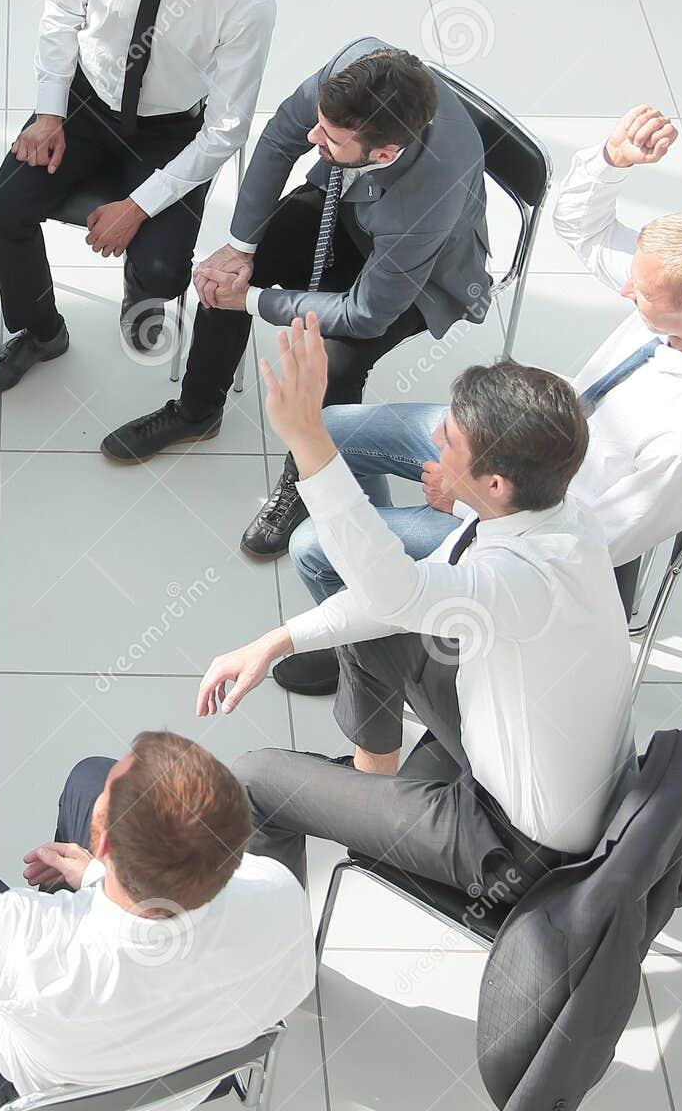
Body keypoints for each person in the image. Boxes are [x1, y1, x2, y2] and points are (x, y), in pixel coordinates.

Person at [0, 492, 313, 1105]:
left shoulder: (21, 947)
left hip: (46, 1088)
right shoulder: (279, 901)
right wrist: (93, 884)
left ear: (102, 841)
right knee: (88, 772)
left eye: (112, 799)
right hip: (195, 1078)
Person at [274, 104, 682, 696]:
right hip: (516, 441)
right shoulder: (677, 306)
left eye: (642, 290)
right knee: (334, 429)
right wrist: (611, 163)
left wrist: (468, 500)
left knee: (312, 546)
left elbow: (579, 547)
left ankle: (375, 664)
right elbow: (583, 229)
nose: (627, 287)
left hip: (525, 527)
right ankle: (381, 595)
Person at [199, 322, 635, 908]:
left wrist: (308, 439)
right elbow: (398, 599)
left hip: (511, 843)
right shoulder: (559, 518)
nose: (434, 436)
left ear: (497, 483)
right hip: (548, 778)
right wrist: (276, 642)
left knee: (252, 781)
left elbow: (391, 587)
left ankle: (268, 964)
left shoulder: (521, 579)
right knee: (383, 635)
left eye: (449, 439)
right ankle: (374, 785)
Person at [103, 39, 491, 554]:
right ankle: (197, 411)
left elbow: (366, 313)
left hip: (419, 273)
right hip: (349, 201)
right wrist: (241, 251)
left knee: (335, 357)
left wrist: (257, 300)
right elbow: (280, 140)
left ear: (385, 153)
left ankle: (308, 479)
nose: (313, 136)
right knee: (226, 278)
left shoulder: (427, 198)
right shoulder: (354, 68)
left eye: (328, 137)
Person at [0, 0, 275, 393]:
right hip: (84, 105)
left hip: (171, 131)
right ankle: (41, 333)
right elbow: (61, 9)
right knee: (0, 212)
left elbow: (226, 129)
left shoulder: (247, 0)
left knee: (162, 271)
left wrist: (136, 207)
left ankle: (143, 293)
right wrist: (48, 111)